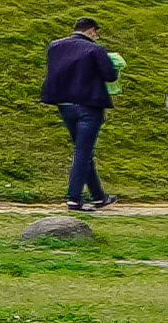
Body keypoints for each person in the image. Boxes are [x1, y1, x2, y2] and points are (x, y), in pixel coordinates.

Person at [47, 17, 117, 212]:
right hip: (88, 104)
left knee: (83, 151)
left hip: (64, 104)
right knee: (83, 152)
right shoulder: (95, 49)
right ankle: (74, 198)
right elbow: (110, 75)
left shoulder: (55, 46)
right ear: (92, 30)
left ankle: (99, 196)